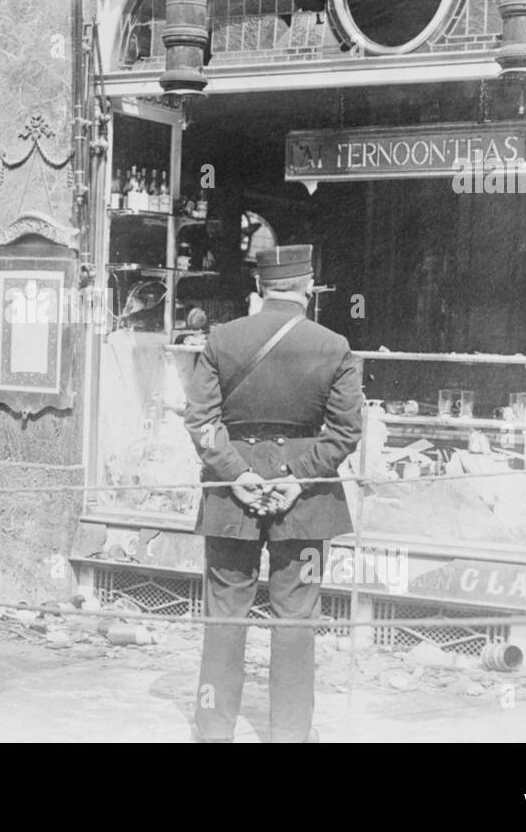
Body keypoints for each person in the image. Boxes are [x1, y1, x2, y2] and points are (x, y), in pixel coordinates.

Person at [184, 244, 362, 743]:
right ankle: (289, 734)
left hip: (228, 500)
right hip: (306, 506)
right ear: (308, 288)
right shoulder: (334, 345)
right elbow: (345, 432)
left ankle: (214, 731)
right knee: (297, 619)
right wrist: (296, 476)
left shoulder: (222, 339)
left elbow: (200, 422)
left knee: (224, 613)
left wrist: (236, 473)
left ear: (260, 289)